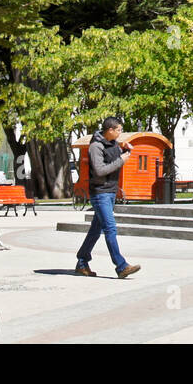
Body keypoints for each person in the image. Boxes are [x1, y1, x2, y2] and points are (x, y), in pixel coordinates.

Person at [76, 117, 141, 278]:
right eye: (118, 129)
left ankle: (82, 262)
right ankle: (121, 266)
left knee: (95, 231)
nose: (121, 133)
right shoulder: (96, 146)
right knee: (110, 228)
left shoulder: (113, 144)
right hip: (100, 193)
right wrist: (121, 160)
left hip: (110, 192)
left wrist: (127, 151)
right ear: (110, 130)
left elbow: (117, 160)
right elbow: (100, 170)